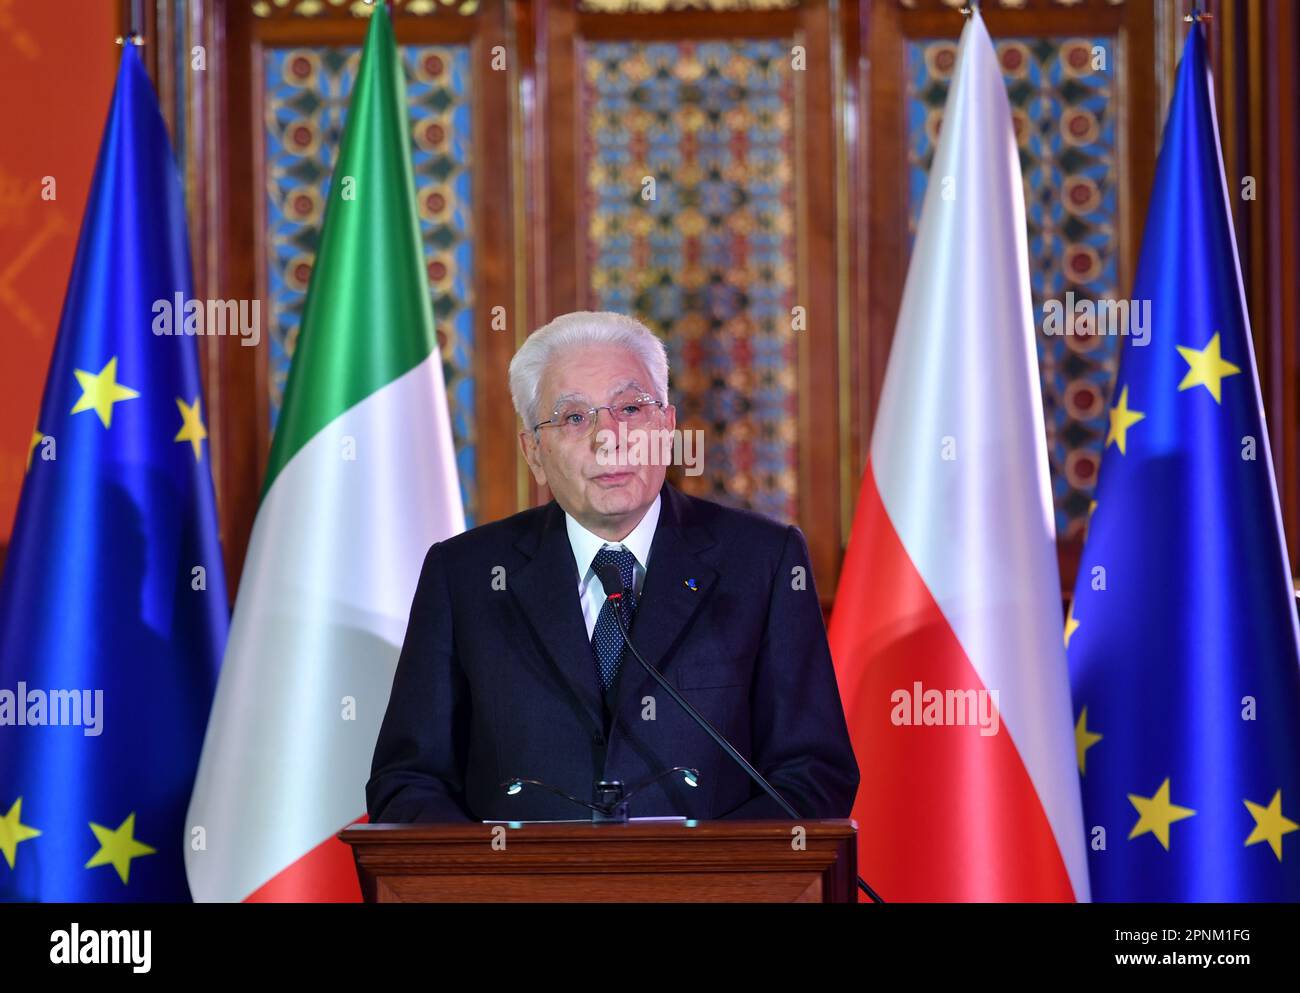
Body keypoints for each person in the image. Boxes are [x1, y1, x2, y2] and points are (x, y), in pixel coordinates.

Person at [366, 311, 859, 821]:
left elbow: (813, 774)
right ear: (534, 451)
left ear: (667, 428)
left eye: (630, 408)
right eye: (575, 418)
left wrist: (703, 879)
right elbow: (407, 782)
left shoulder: (763, 562)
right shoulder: (464, 575)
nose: (610, 438)